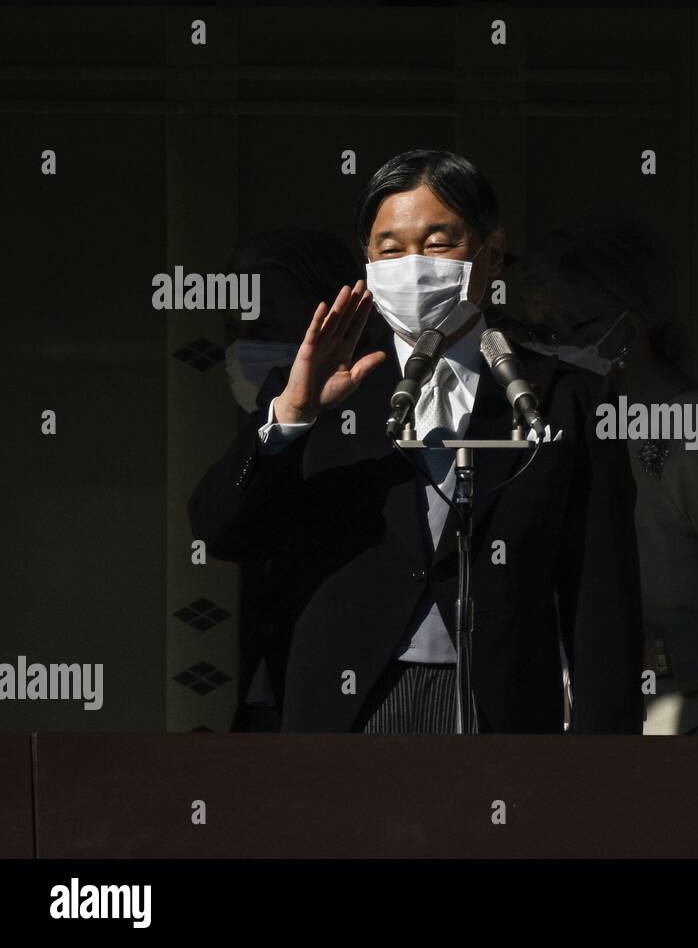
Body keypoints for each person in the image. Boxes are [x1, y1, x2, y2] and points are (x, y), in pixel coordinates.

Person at [189, 150, 643, 734]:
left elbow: (599, 592)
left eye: (438, 243)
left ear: (492, 253)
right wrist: (291, 416)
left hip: (498, 707)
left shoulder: (563, 398)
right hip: (345, 705)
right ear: (368, 262)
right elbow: (220, 529)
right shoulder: (320, 385)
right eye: (390, 248)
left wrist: (605, 756)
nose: (414, 265)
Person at [502, 211, 698, 734]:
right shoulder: (554, 430)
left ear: (626, 330)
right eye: (527, 332)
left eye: (552, 330)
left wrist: (653, 653)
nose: (536, 350)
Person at [220, 228, 366, 731]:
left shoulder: (372, 426)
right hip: (274, 697)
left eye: (270, 328)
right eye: (237, 331)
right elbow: (217, 527)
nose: (246, 349)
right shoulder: (266, 422)